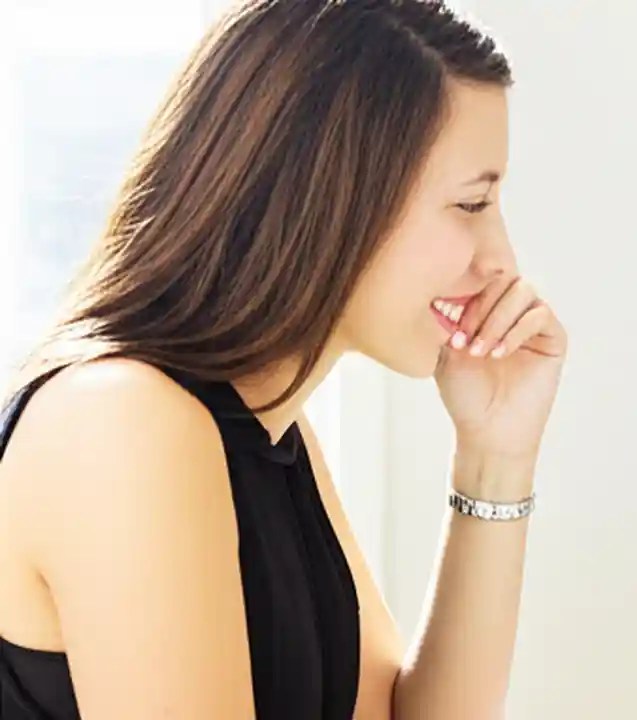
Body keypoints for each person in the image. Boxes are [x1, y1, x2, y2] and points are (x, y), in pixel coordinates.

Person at [0, 1, 566, 717]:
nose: (502, 261)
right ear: (335, 195)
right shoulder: (123, 422)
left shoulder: (269, 433)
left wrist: (496, 458)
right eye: (471, 204)